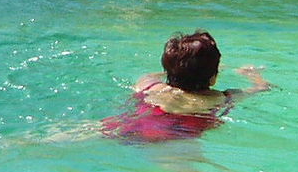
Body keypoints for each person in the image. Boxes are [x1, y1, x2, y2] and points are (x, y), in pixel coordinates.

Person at [100, 30, 269, 143]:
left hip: (128, 125)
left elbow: (154, 74)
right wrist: (252, 74)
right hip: (174, 134)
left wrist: (175, 69)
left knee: (91, 132)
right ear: (213, 78)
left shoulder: (150, 84)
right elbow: (263, 87)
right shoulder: (224, 97)